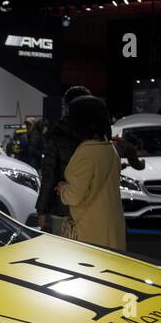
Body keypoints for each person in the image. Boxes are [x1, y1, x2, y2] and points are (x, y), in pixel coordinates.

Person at [56, 95, 126, 250]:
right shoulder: (109, 148)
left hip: (91, 230)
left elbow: (75, 196)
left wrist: (62, 189)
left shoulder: (87, 152)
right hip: (112, 225)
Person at [37, 84, 91, 230]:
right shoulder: (98, 136)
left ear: (67, 107)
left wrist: (42, 210)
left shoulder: (58, 135)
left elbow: (49, 176)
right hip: (92, 209)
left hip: (63, 208)